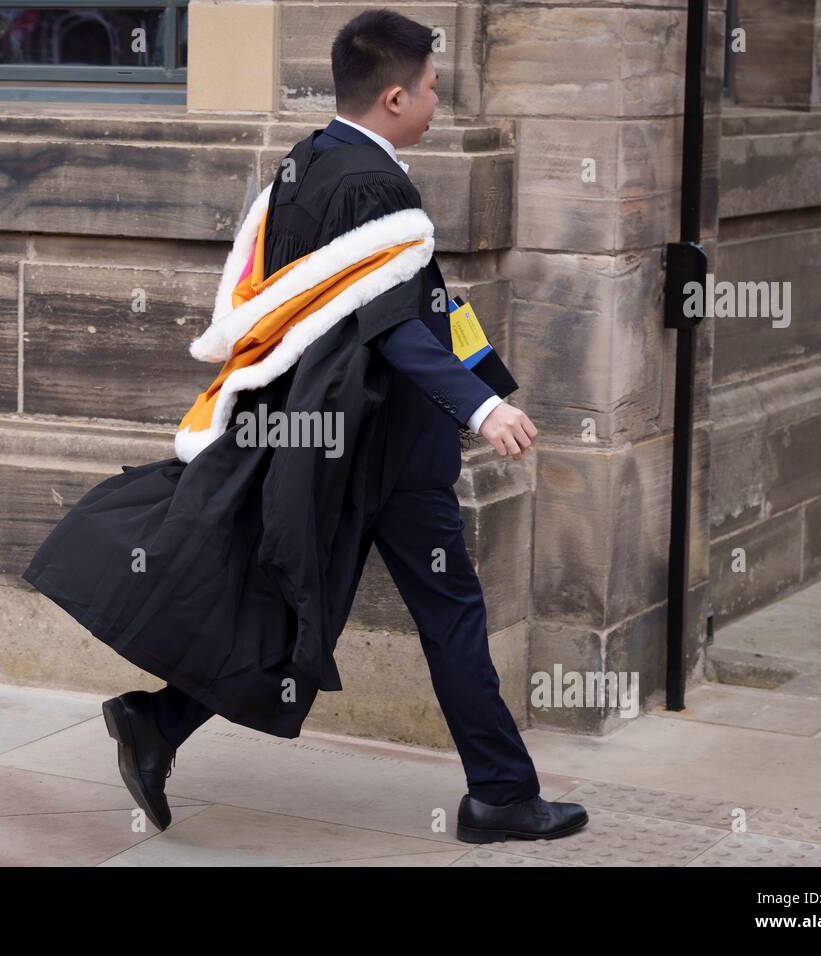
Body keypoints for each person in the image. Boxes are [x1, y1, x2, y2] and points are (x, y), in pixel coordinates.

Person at [93, 9, 587, 845]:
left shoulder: (305, 164)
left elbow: (422, 302)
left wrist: (485, 373)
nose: (438, 100)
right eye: (432, 88)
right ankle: (501, 794)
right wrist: (484, 407)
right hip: (386, 448)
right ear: (394, 96)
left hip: (324, 442)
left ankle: (160, 721)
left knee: (292, 605)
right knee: (451, 612)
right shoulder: (376, 187)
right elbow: (394, 328)